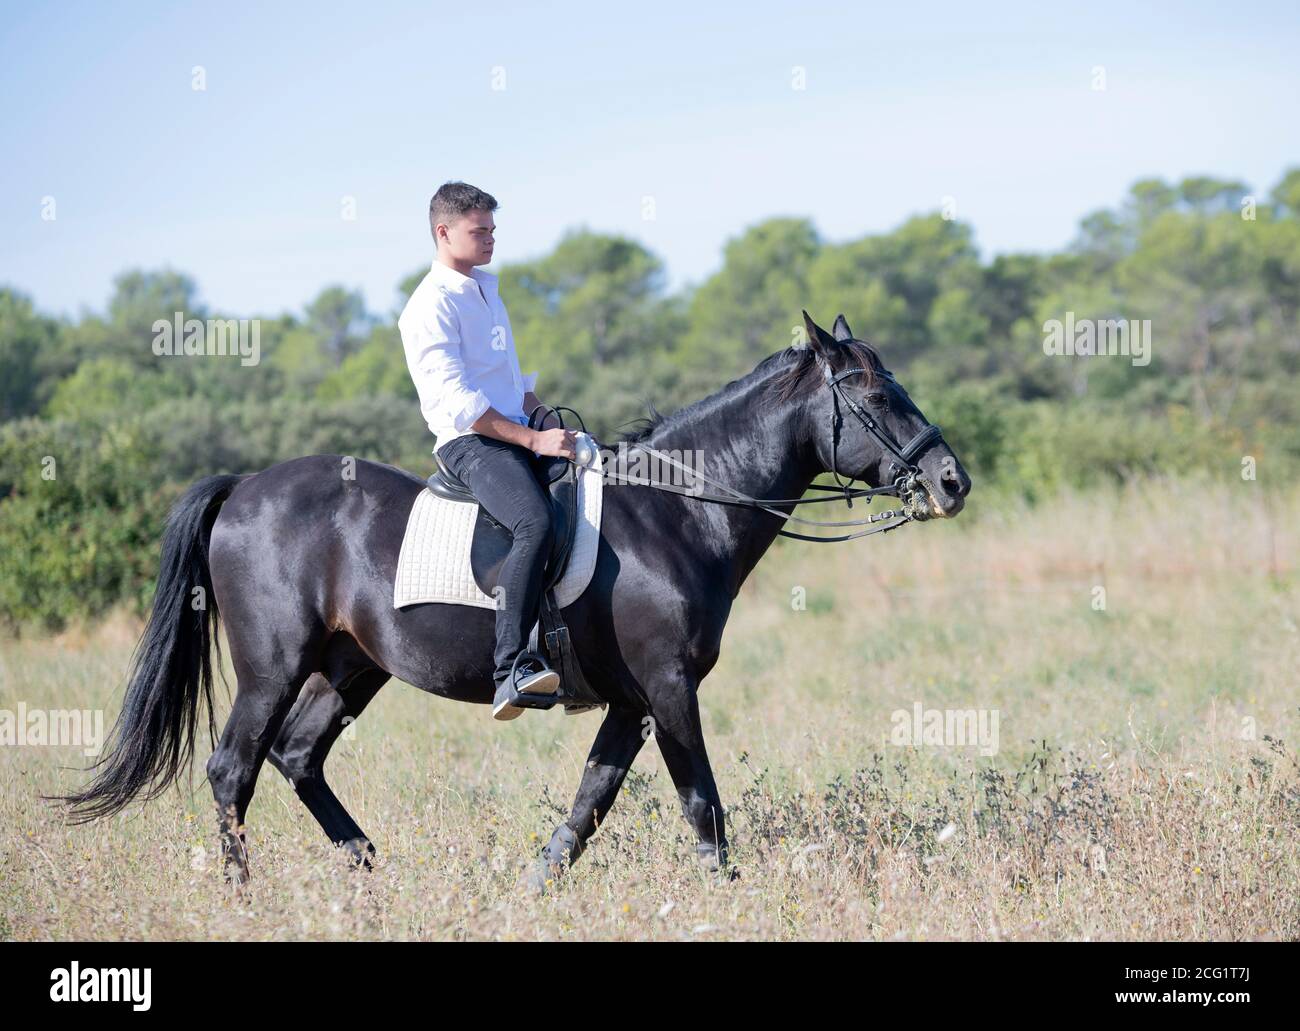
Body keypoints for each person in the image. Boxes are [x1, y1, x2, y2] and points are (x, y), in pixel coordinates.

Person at [398, 181, 577, 720]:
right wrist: (531, 439)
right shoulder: (428, 306)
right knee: (534, 524)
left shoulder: (486, 292)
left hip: (515, 428)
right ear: (443, 231)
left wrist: (547, 420)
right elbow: (459, 401)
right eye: (480, 231)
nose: (490, 239)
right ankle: (511, 669)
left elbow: (512, 384)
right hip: (472, 444)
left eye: (493, 230)